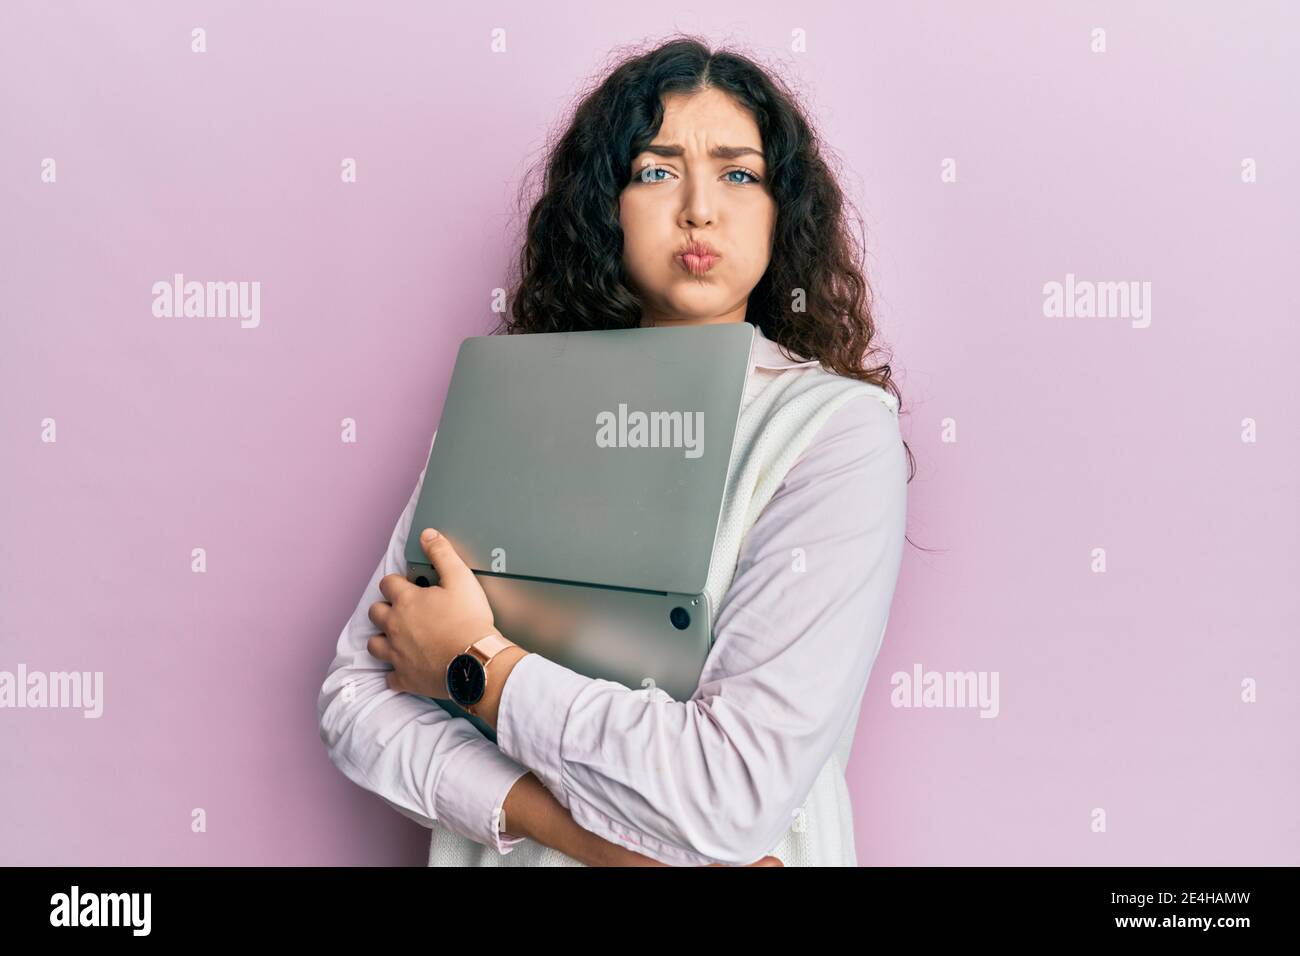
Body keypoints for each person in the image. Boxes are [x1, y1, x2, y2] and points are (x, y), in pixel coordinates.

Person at [318, 35, 915, 867]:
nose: (700, 208)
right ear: (608, 203)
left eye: (740, 174)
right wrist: (584, 839)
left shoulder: (831, 432)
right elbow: (355, 701)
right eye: (657, 170)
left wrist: (475, 665)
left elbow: (730, 788)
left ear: (784, 212)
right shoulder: (510, 410)